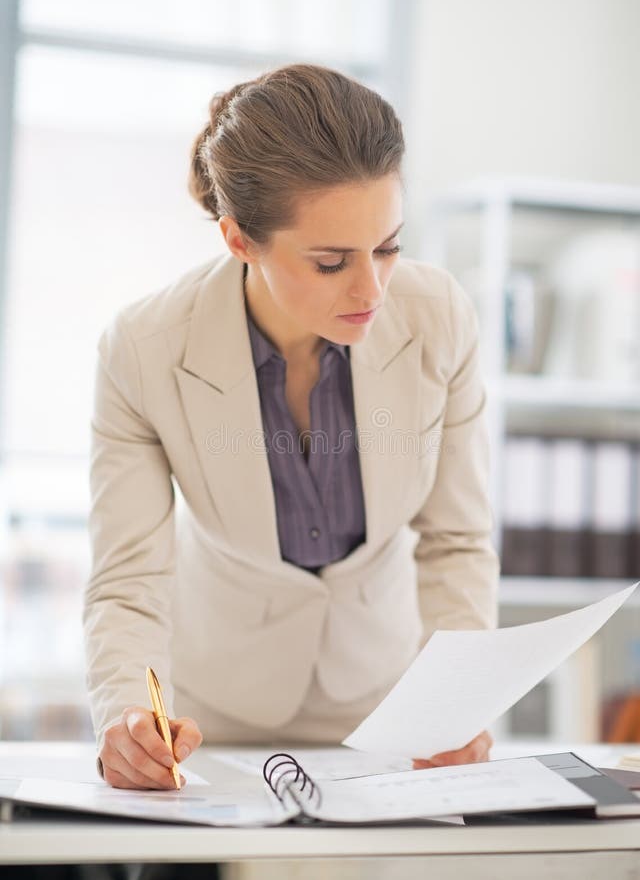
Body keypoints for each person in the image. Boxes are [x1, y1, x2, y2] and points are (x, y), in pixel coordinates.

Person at [85, 63, 499, 791]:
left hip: (388, 713)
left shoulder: (437, 317)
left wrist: (457, 700)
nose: (372, 287)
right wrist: (128, 716)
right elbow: (129, 580)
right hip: (217, 716)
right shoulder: (145, 349)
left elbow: (455, 542)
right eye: (332, 260)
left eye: (388, 245)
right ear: (239, 239)